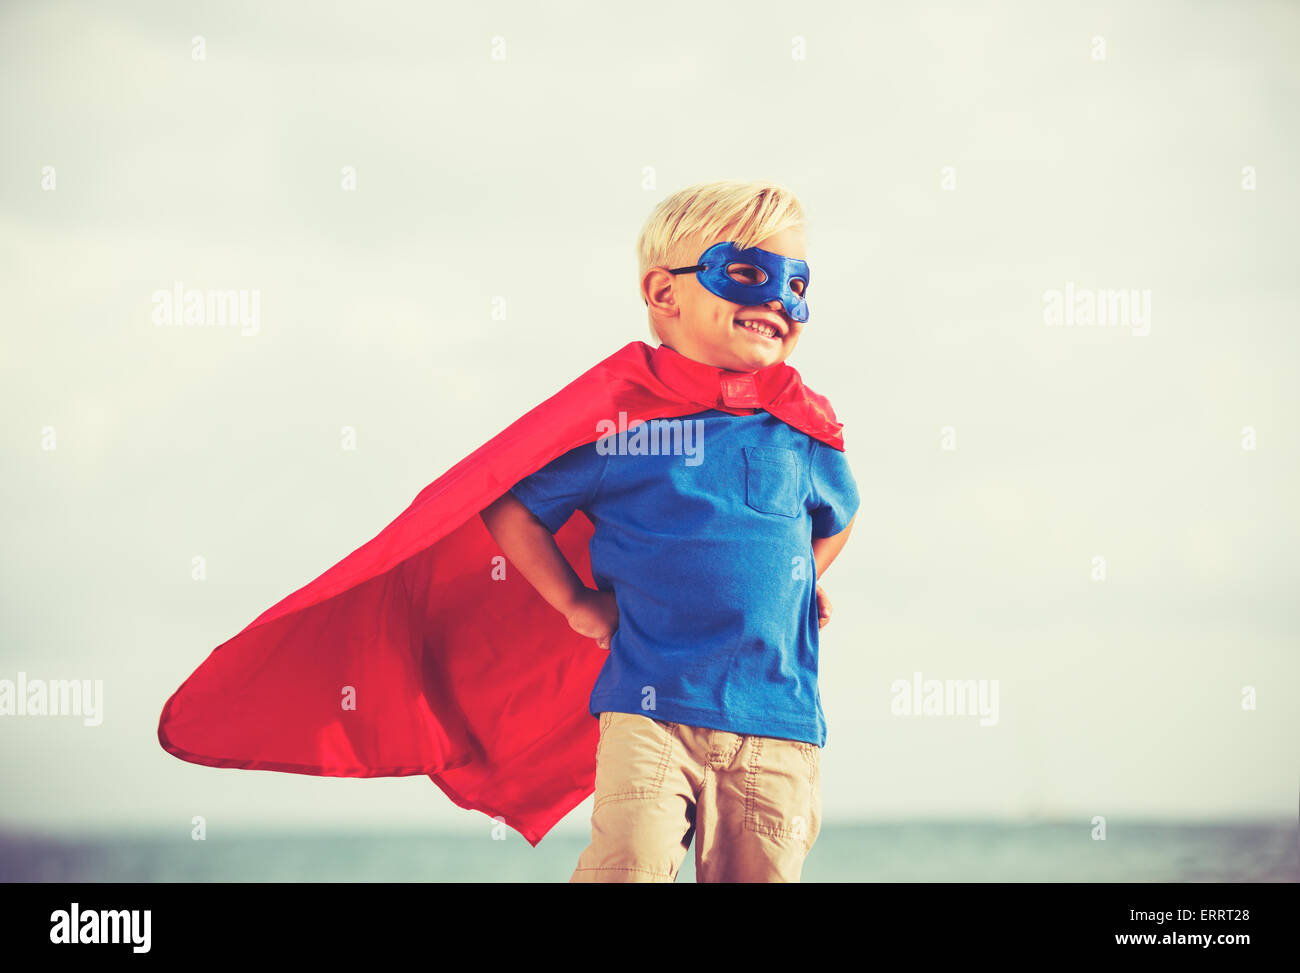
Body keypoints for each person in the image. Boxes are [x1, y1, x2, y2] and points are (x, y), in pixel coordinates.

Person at [480, 179, 859, 882]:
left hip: (778, 719)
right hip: (650, 710)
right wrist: (575, 602)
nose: (777, 296)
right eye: (746, 273)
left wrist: (805, 573)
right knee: (630, 867)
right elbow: (512, 507)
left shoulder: (800, 430)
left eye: (796, 282)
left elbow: (838, 517)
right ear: (665, 293)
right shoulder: (626, 427)